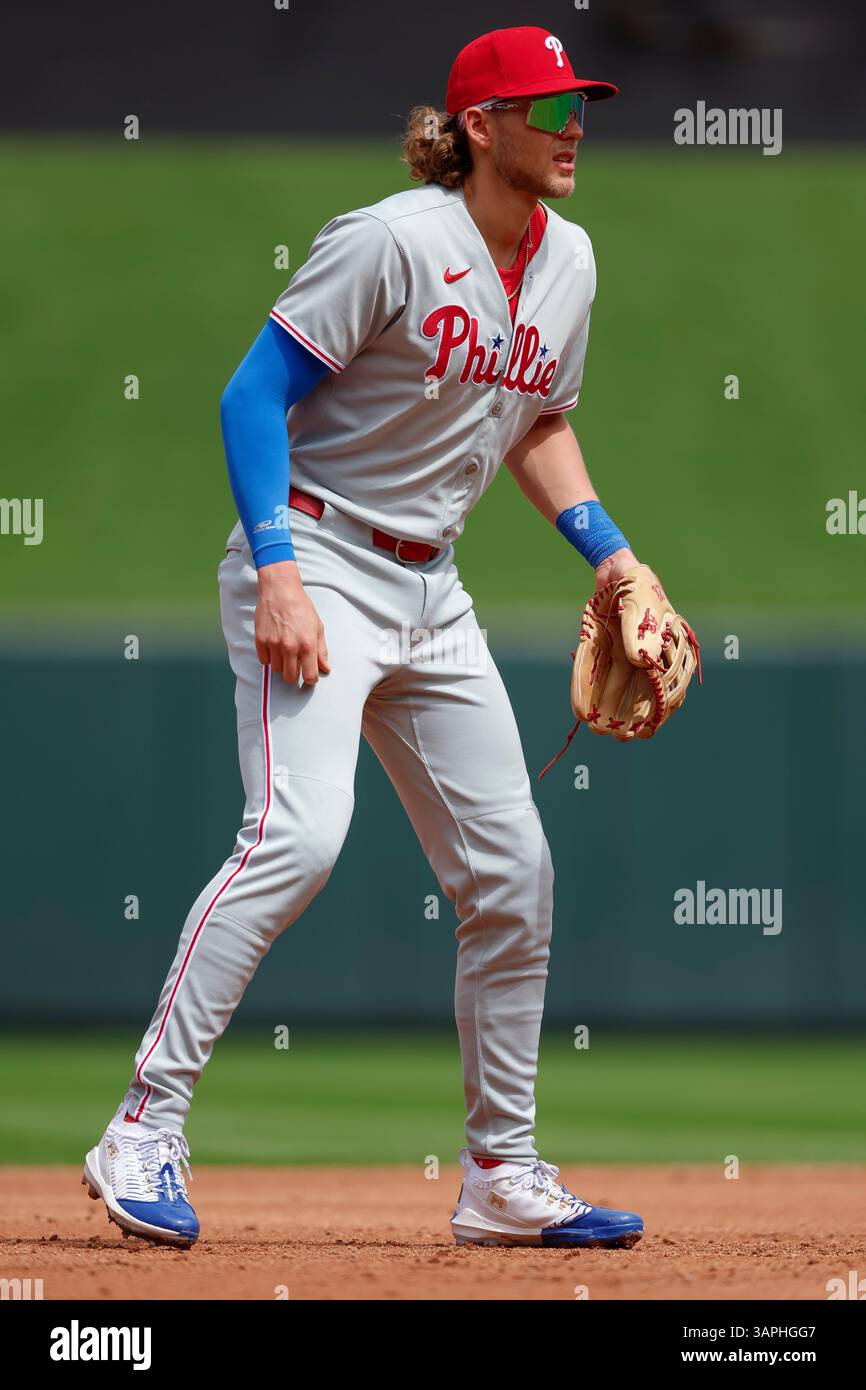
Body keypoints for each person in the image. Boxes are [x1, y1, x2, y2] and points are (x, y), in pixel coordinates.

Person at [83, 25, 645, 1250]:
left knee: (513, 874)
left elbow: (536, 424)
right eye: (545, 107)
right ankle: (140, 1123)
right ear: (479, 127)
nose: (571, 127)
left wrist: (614, 555)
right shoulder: (392, 239)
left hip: (430, 591)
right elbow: (252, 394)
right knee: (298, 837)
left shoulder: (572, 262)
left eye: (579, 104)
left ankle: (499, 1171)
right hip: (318, 558)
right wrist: (276, 570)